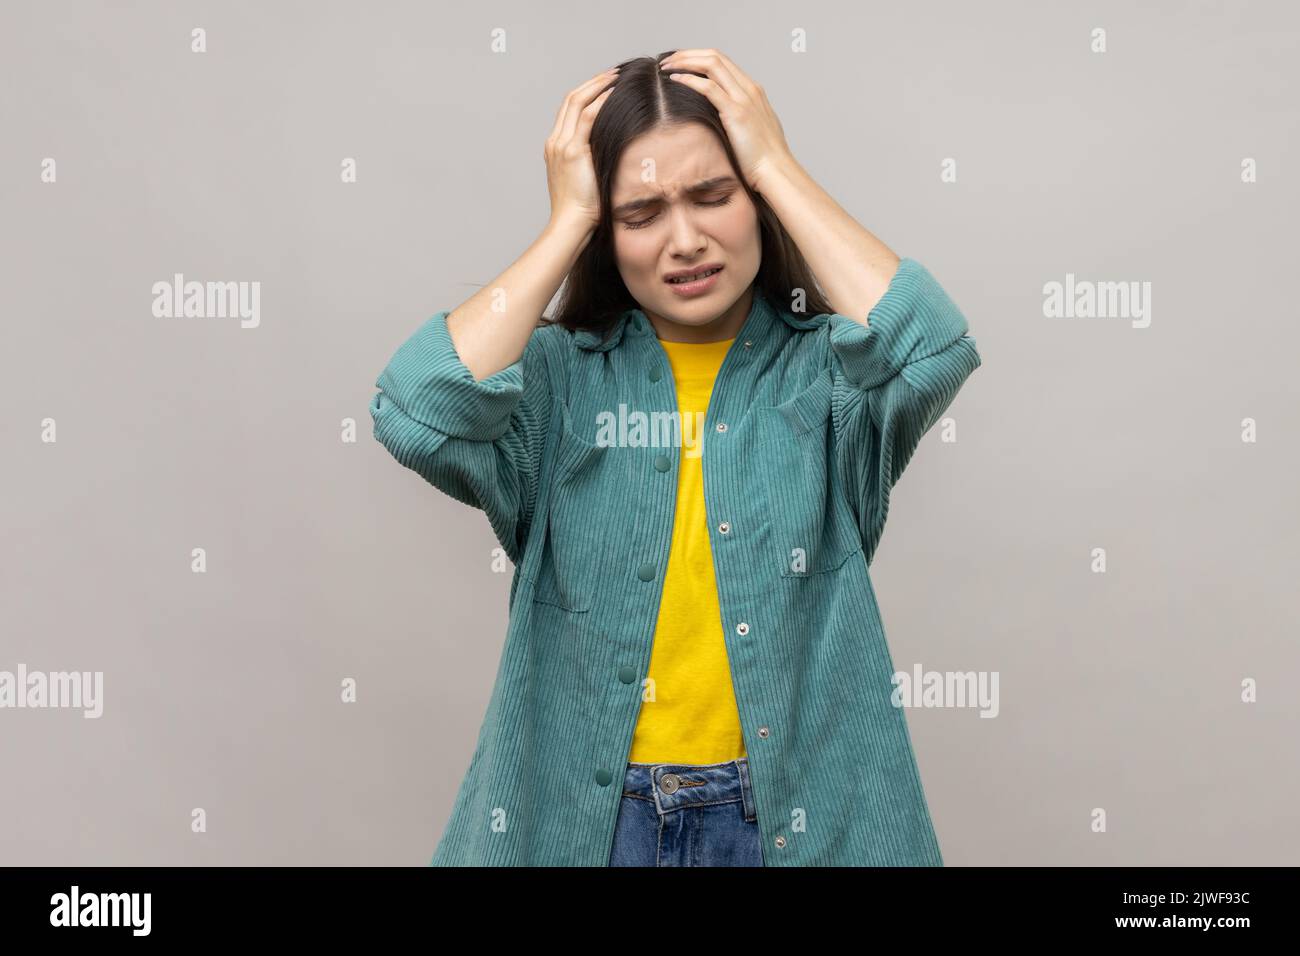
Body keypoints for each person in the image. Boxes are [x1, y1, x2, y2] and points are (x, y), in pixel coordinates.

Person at [370, 49, 982, 866]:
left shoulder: (832, 374)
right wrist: (566, 223)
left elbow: (931, 347)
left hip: (792, 821)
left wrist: (775, 165)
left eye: (714, 195)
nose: (685, 240)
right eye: (641, 214)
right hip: (591, 825)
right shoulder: (554, 383)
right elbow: (416, 409)